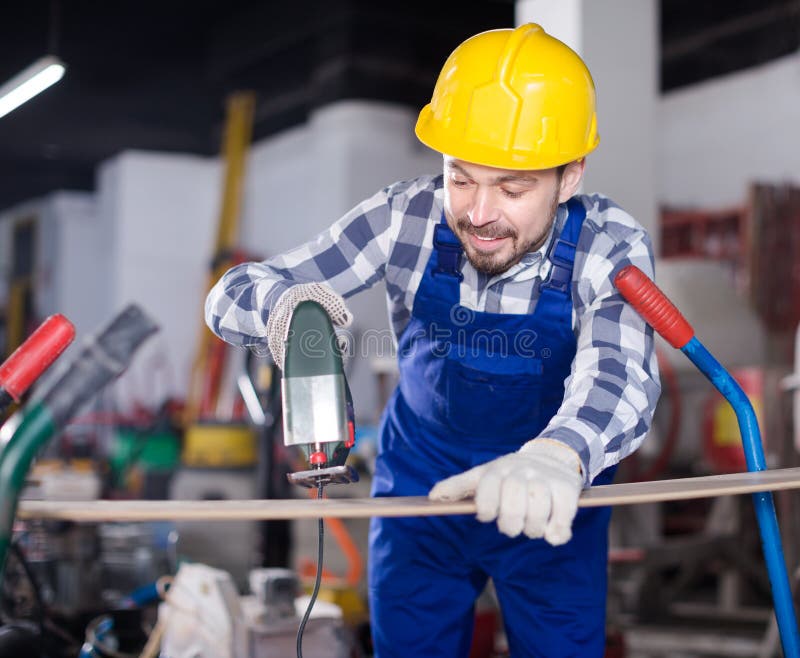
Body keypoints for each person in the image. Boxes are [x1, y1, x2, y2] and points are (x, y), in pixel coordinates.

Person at [206, 23, 660, 658]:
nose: (478, 211)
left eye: (513, 186)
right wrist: (282, 307)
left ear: (571, 174)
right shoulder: (405, 219)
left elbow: (621, 370)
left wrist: (558, 455)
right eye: (462, 176)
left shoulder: (608, 244)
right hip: (421, 491)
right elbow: (230, 291)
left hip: (549, 493)